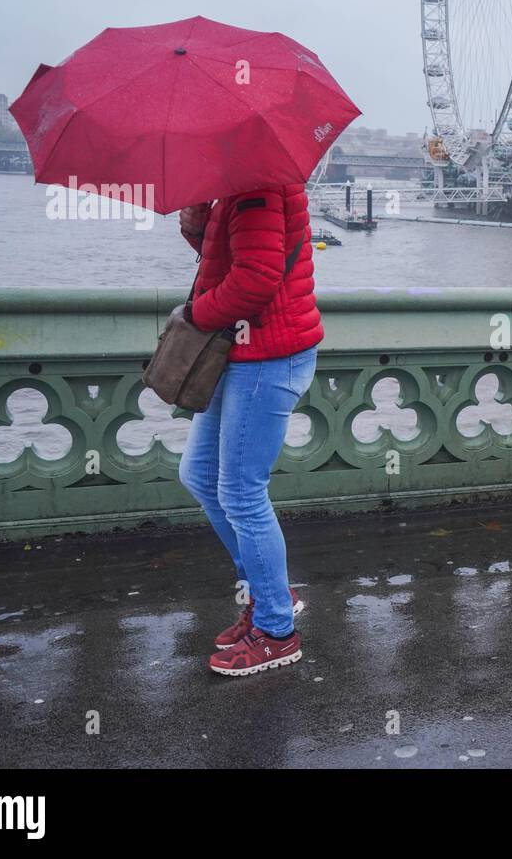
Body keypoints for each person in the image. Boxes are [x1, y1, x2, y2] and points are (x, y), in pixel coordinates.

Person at [177, 184, 323, 677]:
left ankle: (277, 631)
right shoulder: (237, 185)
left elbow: (257, 279)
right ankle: (268, 595)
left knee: (242, 492)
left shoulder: (258, 183)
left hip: (267, 355)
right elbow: (244, 256)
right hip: (241, 352)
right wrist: (200, 224)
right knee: (198, 474)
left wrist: (193, 317)